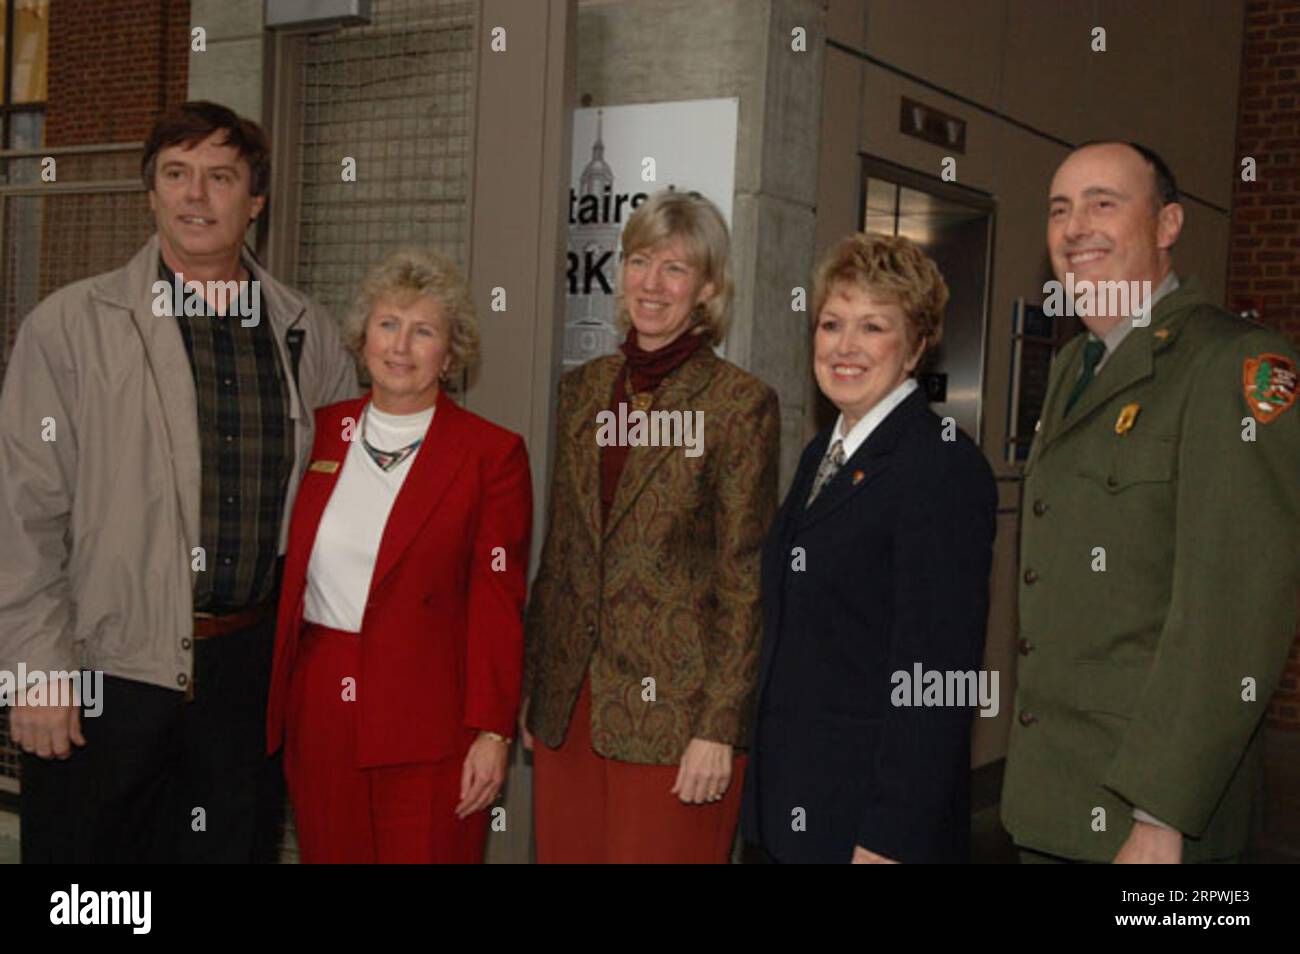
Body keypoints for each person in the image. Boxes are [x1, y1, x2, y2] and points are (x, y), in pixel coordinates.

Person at [0, 101, 358, 862]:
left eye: (220, 177)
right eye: (177, 175)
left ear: (254, 202)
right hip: (104, 667)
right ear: (152, 193)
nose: (197, 197)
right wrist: (33, 670)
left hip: (245, 675)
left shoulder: (305, 332)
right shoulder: (69, 328)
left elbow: (344, 506)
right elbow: (20, 514)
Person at [1000, 141, 1300, 864]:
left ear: (1168, 225)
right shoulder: (1078, 362)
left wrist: (1162, 811)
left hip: (1149, 817)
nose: (1076, 227)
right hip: (1054, 800)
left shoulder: (1233, 363)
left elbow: (1236, 611)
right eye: (1060, 209)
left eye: (1104, 202)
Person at [521, 190, 779, 863]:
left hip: (677, 717)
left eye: (675, 269)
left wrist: (719, 728)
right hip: (569, 708)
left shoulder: (739, 405)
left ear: (708, 288)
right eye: (639, 261)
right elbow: (563, 553)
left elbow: (745, 580)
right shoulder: (581, 390)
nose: (651, 284)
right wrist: (533, 690)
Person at [265, 249, 532, 863]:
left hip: (433, 721)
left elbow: (498, 604)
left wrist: (492, 732)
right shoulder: (320, 433)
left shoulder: (491, 455)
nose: (401, 346)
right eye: (388, 324)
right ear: (363, 339)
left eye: (424, 330)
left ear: (451, 350)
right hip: (324, 707)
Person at [742, 232, 997, 864]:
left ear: (915, 347)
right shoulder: (820, 454)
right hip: (790, 809)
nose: (845, 347)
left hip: (865, 827)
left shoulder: (941, 468)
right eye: (832, 325)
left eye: (873, 327)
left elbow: (938, 679)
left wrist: (888, 840)